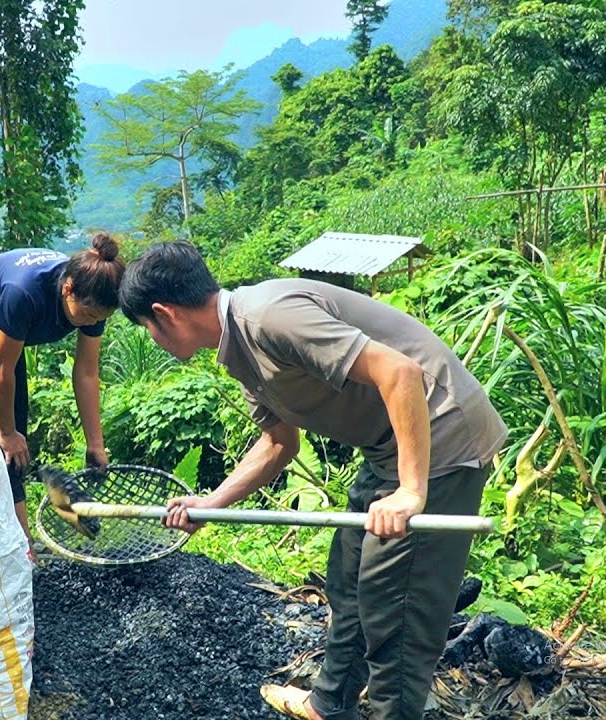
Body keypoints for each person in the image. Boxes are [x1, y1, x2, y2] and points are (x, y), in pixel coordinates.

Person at [117, 241, 507, 720]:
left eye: (146, 329)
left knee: (397, 611)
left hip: (444, 440)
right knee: (348, 581)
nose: (152, 340)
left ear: (164, 314)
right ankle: (331, 705)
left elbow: (400, 373)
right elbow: (280, 444)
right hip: (387, 452)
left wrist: (410, 492)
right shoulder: (237, 344)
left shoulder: (270, 318)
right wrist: (211, 502)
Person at [0, 233, 124, 552]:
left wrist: (96, 443)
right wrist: (6, 433)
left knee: (17, 440)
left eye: (99, 319)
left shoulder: (93, 292)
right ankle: (25, 548)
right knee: (2, 448)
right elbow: (1, 369)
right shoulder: (25, 293)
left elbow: (87, 372)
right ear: (67, 289)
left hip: (6, 341)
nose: (90, 324)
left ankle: (25, 514)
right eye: (88, 316)